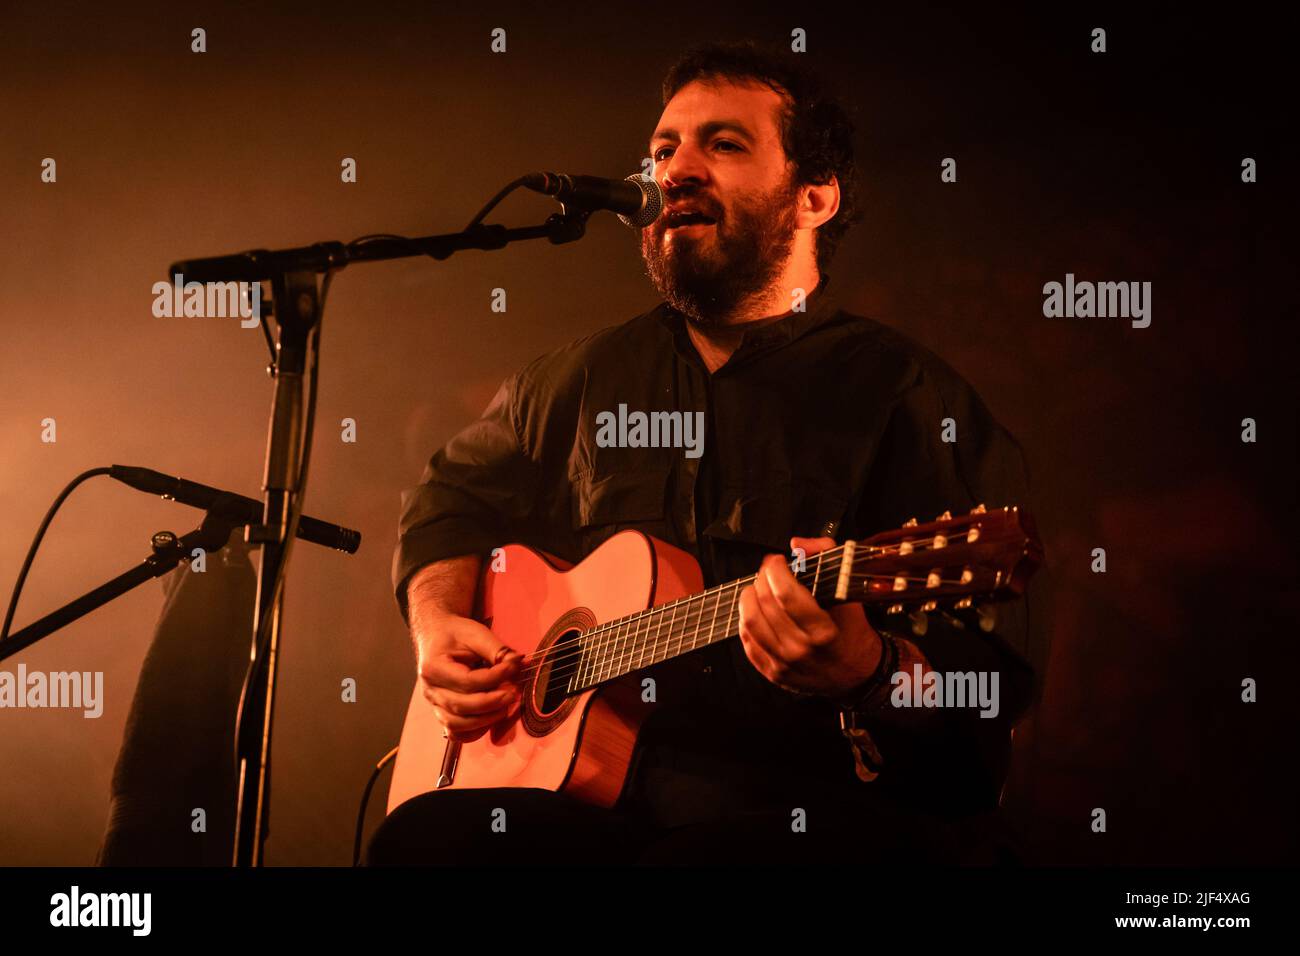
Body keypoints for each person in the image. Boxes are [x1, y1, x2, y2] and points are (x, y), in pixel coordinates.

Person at [366, 40, 1039, 865]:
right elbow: (449, 499)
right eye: (660, 150)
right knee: (422, 843)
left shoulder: (908, 395)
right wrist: (437, 626)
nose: (673, 170)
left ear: (813, 198)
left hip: (788, 811)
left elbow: (992, 682)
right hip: (577, 800)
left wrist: (871, 668)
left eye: (722, 144)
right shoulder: (578, 378)